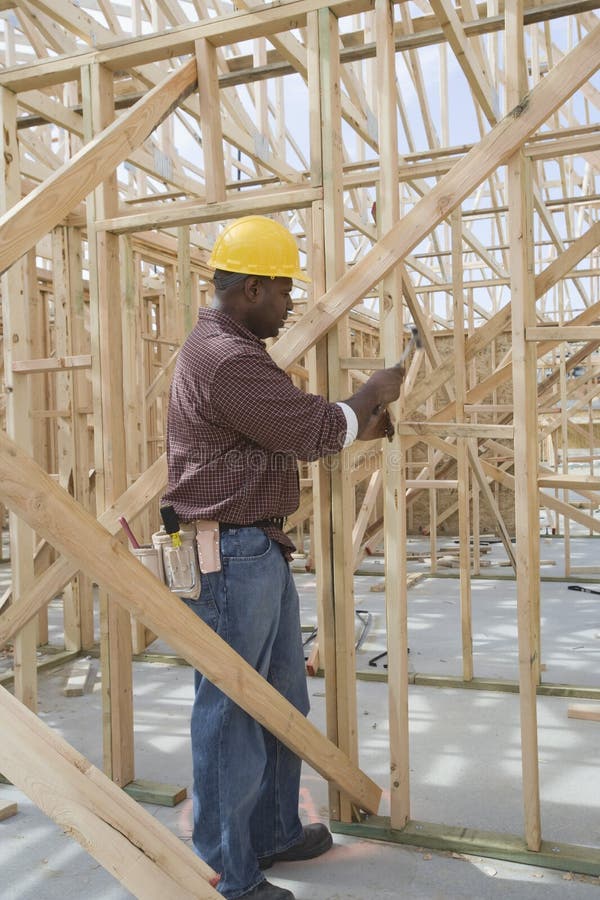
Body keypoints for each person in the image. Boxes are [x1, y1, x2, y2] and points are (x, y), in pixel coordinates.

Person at [164, 215, 404, 900]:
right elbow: (310, 429)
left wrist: (355, 415)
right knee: (232, 712)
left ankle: (272, 830)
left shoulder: (233, 349)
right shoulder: (227, 358)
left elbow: (292, 420)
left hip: (253, 547)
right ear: (249, 290)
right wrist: (371, 396)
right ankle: (226, 871)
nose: (291, 303)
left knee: (279, 703)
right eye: (283, 292)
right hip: (228, 556)